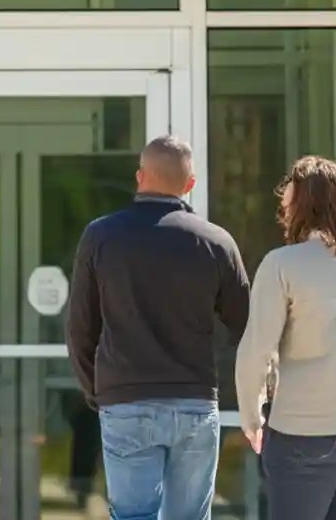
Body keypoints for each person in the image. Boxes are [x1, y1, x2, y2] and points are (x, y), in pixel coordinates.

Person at [67, 135, 252, 520]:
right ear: (190, 184)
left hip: (125, 399)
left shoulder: (101, 237)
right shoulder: (216, 242)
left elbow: (81, 328)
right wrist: (243, 396)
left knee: (133, 516)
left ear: (140, 176)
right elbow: (248, 329)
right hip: (195, 402)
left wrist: (97, 392)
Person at [235, 156, 336, 520]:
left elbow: (256, 353)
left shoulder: (281, 265)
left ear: (303, 206)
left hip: (304, 432)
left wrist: (251, 418)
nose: (283, 210)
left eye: (287, 202)